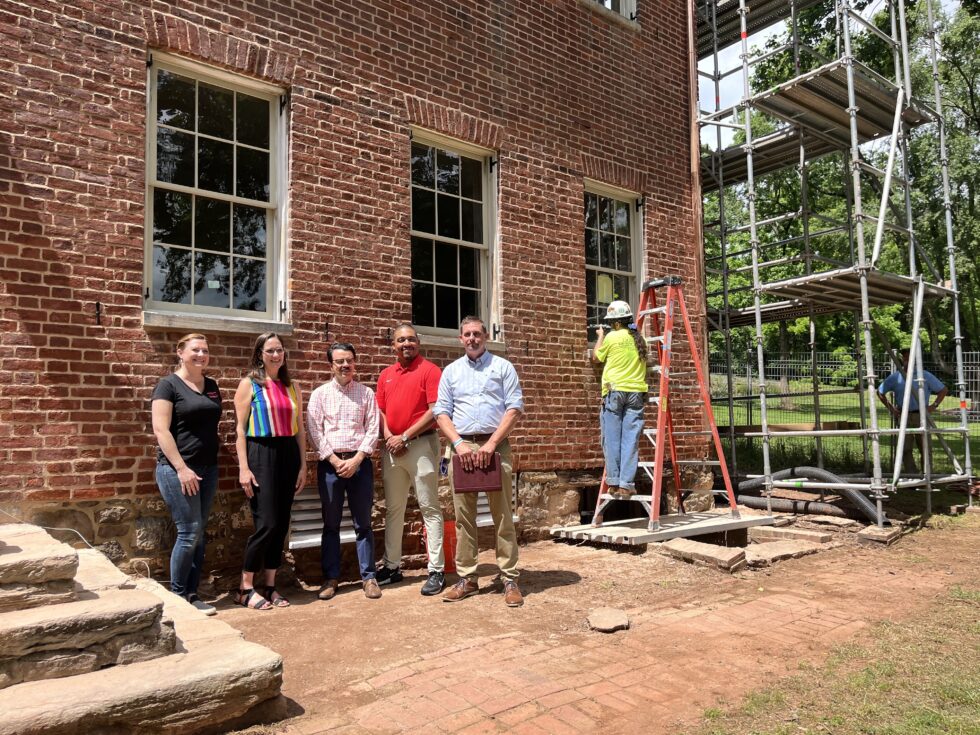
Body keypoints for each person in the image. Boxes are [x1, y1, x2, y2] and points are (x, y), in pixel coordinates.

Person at [434, 316, 525, 607]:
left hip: (495, 446)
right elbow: (441, 412)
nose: (472, 338)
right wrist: (458, 444)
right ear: (460, 339)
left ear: (485, 336)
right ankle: (468, 579)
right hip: (462, 448)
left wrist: (492, 443)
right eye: (467, 334)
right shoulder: (451, 372)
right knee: (464, 518)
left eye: (477, 333)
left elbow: (514, 408)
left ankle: (509, 578)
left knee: (503, 516)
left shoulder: (503, 367)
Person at [233, 333, 307, 610]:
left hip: (288, 454)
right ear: (260, 355)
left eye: (280, 350)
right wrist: (243, 468)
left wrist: (303, 465)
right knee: (266, 523)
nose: (276, 355)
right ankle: (245, 588)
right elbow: (240, 430)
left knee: (281, 523)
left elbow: (300, 429)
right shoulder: (249, 384)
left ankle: (270, 586)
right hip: (261, 452)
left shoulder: (292, 386)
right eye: (270, 351)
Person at [151, 333, 221, 616]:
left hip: (207, 469)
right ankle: (178, 598)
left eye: (205, 350)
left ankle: (192, 594)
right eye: (195, 350)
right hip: (177, 470)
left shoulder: (211, 385)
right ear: (180, 352)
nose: (201, 355)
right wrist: (182, 468)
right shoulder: (168, 385)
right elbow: (161, 430)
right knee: (189, 531)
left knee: (199, 533)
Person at [307, 342, 382, 600]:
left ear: (354, 363)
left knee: (364, 523)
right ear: (331, 365)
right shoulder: (319, 395)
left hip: (360, 465)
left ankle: (369, 577)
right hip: (330, 467)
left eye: (349, 360)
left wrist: (357, 459)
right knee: (331, 524)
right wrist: (334, 460)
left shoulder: (366, 393)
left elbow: (373, 428)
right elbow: (314, 430)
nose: (345, 365)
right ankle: (331, 578)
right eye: (340, 361)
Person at [375, 323, 445, 595]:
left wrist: (404, 437)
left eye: (411, 339)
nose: (407, 344)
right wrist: (390, 437)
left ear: (419, 342)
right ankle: (392, 567)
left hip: (420, 445)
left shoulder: (430, 370)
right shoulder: (386, 375)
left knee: (429, 507)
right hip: (392, 448)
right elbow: (380, 411)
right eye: (401, 340)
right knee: (394, 509)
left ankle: (436, 570)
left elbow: (435, 410)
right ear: (393, 345)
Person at [592, 300, 648, 500]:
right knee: (630, 440)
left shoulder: (611, 337)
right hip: (636, 393)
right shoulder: (640, 339)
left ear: (616, 322)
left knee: (612, 439)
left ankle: (614, 483)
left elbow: (596, 358)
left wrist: (600, 336)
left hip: (614, 391)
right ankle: (626, 485)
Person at [877, 347, 948, 474]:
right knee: (905, 449)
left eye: (910, 357)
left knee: (925, 448)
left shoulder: (925, 375)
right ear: (902, 359)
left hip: (921, 416)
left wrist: (934, 406)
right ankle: (912, 475)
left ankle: (927, 475)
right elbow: (880, 392)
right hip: (903, 416)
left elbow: (943, 390)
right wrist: (891, 409)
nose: (907, 360)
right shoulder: (896, 377)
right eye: (905, 357)